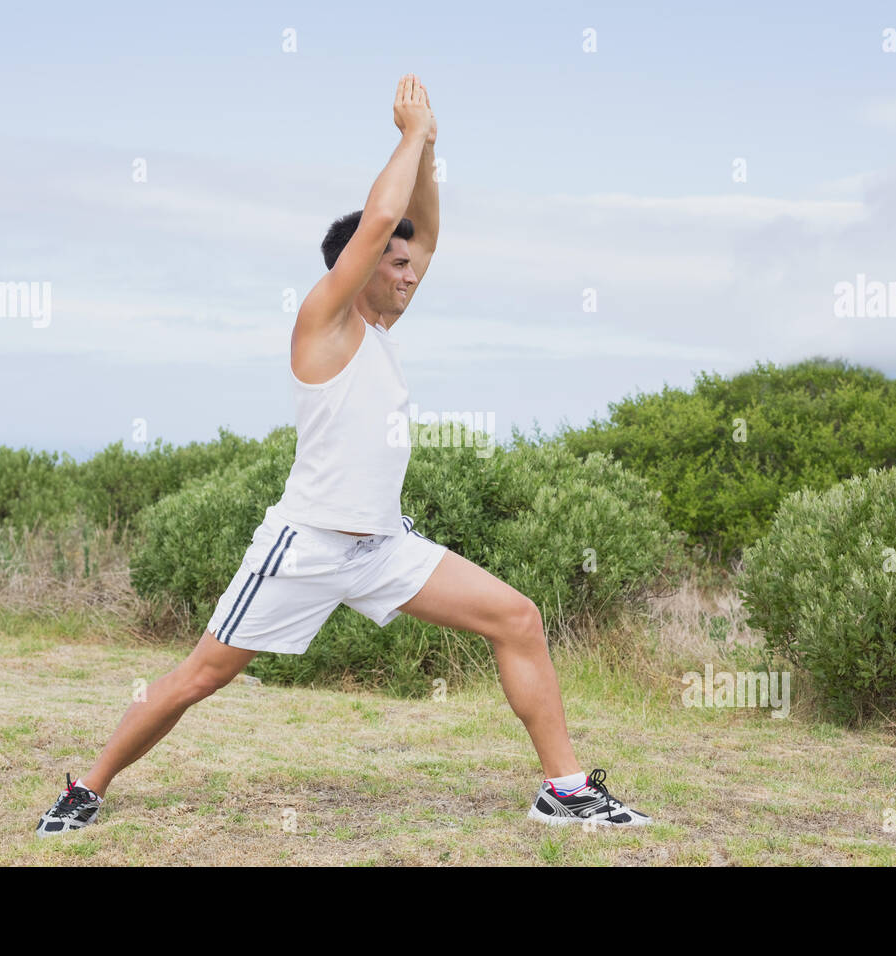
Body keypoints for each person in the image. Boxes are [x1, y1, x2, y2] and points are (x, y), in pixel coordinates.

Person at [36, 74, 651, 837]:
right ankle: (86, 786)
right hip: (305, 546)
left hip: (382, 546)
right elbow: (388, 219)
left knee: (518, 619)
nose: (410, 273)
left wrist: (432, 147)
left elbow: (419, 229)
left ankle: (563, 789)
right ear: (359, 269)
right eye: (393, 266)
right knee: (199, 677)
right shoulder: (324, 323)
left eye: (409, 266)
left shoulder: (382, 333)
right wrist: (410, 135)